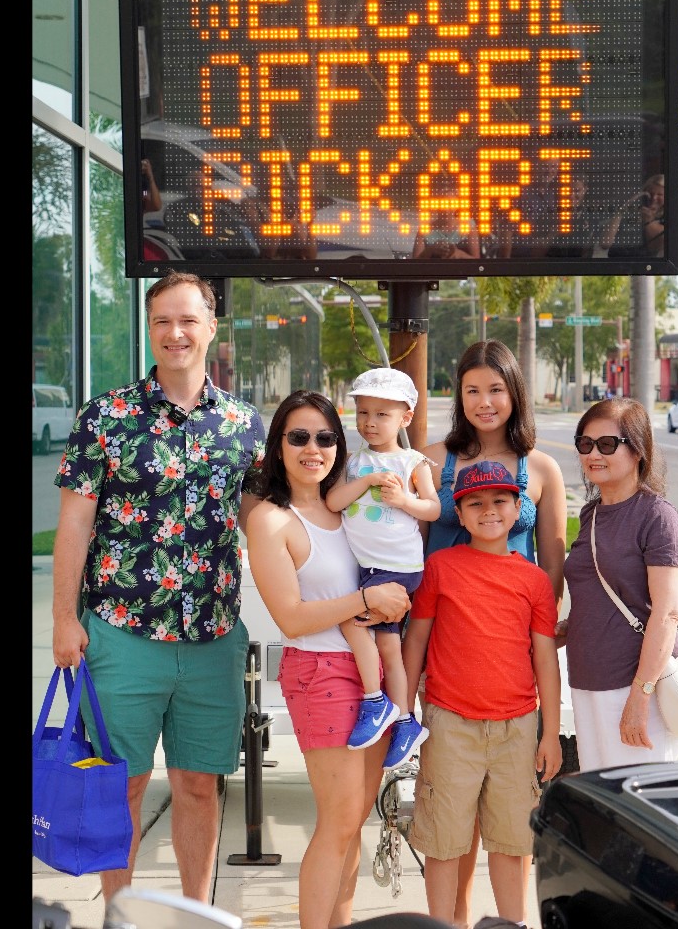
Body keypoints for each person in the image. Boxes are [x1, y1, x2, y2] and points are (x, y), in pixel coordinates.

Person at [49, 271, 265, 904]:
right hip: (123, 635)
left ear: (211, 327)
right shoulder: (105, 418)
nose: (175, 333)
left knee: (199, 784)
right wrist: (66, 620)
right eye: (163, 321)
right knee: (126, 786)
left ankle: (196, 913)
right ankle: (118, 913)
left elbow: (266, 524)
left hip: (213, 638)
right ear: (150, 329)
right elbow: (74, 525)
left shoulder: (244, 426)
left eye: (188, 320)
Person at [242, 390, 416, 929]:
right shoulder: (273, 521)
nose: (313, 448)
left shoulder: (348, 506)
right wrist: (369, 600)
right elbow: (291, 618)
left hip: (376, 676)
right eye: (298, 437)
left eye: (325, 437)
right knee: (338, 821)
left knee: (355, 820)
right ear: (277, 448)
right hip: (322, 674)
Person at [417, 338, 568, 920]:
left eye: (496, 389)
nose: (484, 401)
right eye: (472, 389)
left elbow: (550, 568)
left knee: (506, 824)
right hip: (450, 658)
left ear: (515, 393)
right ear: (458, 395)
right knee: (453, 823)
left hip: (510, 656)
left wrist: (524, 644)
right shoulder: (431, 461)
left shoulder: (542, 468)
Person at [401, 460, 562, 927]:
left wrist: (548, 733)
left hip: (516, 729)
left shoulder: (533, 580)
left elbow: (545, 660)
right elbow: (417, 640)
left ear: (517, 510)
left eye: (499, 501)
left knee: (512, 844)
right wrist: (406, 712)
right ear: (460, 511)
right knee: (445, 843)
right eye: (476, 502)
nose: (488, 511)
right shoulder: (441, 567)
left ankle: (512, 924)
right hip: (450, 725)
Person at [562, 397, 678, 770]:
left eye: (606, 444)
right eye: (585, 444)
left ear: (637, 451)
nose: (593, 454)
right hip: (586, 681)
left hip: (634, 684)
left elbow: (667, 614)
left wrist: (641, 695)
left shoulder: (657, 517)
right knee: (601, 806)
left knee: (639, 808)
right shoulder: (592, 514)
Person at [324, 366, 441, 768]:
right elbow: (334, 502)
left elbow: (434, 506)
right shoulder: (354, 461)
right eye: (363, 413)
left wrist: (404, 501)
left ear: (405, 417)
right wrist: (367, 479)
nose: (370, 423)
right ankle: (404, 719)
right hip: (369, 567)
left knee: (351, 623)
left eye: (382, 414)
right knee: (387, 643)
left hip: (396, 566)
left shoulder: (413, 462)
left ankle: (377, 702)